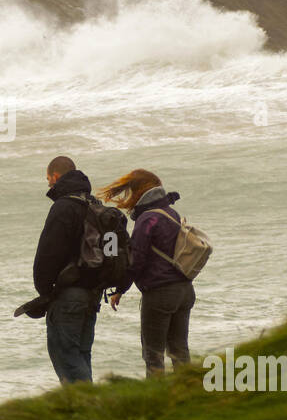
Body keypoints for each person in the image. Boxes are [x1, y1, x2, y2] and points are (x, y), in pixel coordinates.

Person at [98, 169, 195, 377]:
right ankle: (190, 392)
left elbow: (136, 260)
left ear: (138, 192)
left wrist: (119, 289)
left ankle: (156, 398)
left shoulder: (147, 219)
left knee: (153, 354)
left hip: (160, 294)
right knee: (180, 350)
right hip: (185, 290)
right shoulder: (171, 213)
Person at [31, 155, 102, 384]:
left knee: (66, 357)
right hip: (93, 295)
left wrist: (45, 291)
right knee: (82, 354)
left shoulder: (63, 208)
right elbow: (111, 249)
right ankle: (89, 407)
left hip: (68, 296)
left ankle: (89, 408)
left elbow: (48, 254)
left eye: (48, 179)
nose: (48, 184)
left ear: (55, 176)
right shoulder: (96, 206)